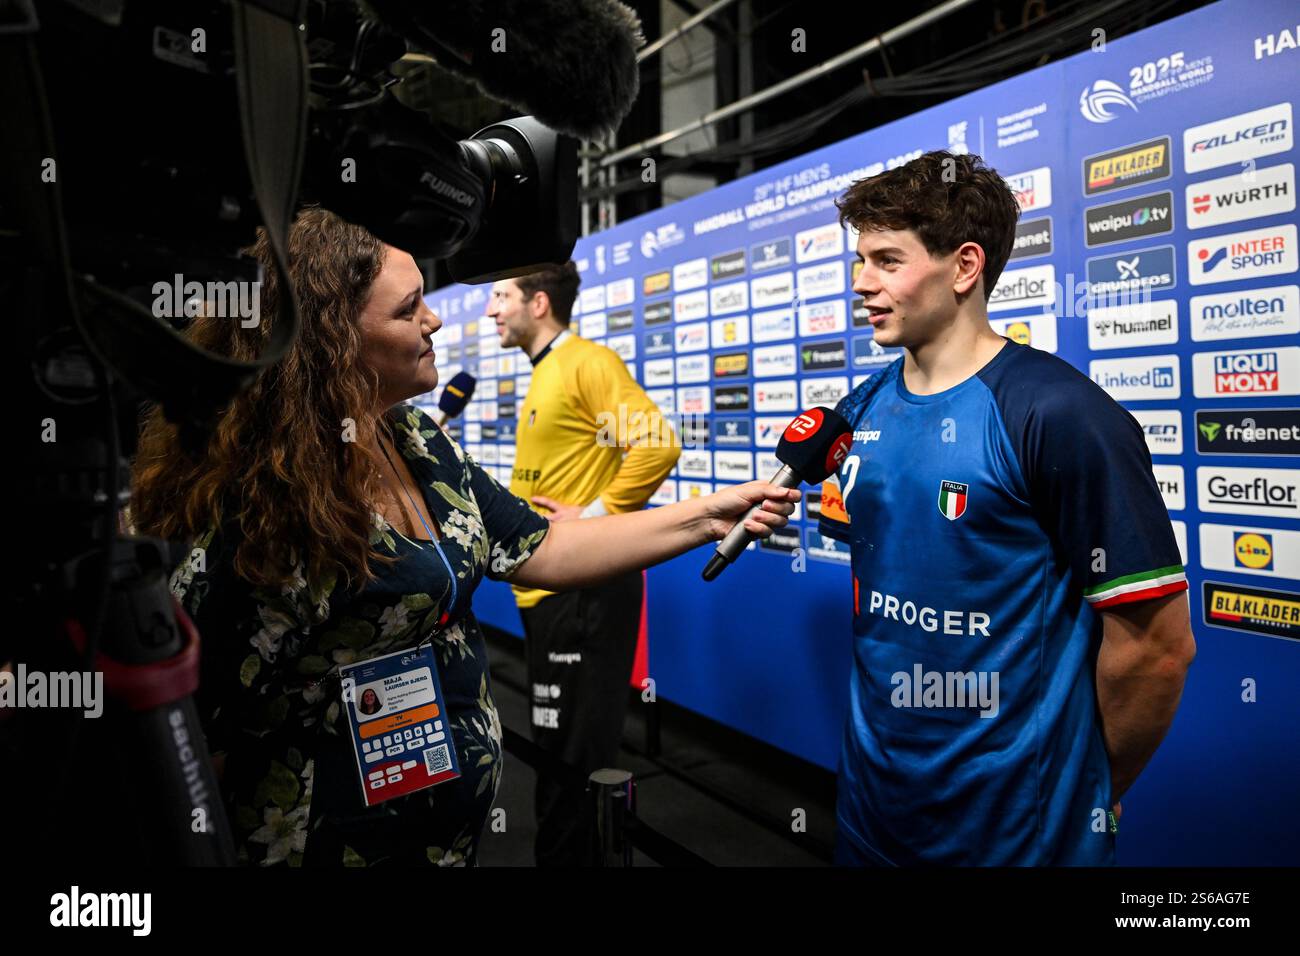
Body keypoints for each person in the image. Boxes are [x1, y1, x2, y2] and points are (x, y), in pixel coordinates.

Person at [128, 207, 798, 867]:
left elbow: (541, 547)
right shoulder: (260, 505)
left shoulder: (418, 441)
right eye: (408, 307)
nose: (437, 317)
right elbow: (195, 729)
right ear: (332, 341)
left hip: (441, 835)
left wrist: (709, 515)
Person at [818, 151, 1195, 866]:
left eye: (887, 260)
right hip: (871, 809)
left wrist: (1088, 791)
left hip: (1019, 835)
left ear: (964, 267)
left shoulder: (1061, 413)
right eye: (860, 260)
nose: (862, 283)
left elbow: (1157, 648)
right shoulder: (861, 404)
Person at [487, 262, 678, 866]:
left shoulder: (586, 362)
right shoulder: (546, 371)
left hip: (587, 595)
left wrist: (594, 515)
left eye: (501, 295)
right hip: (553, 596)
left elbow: (658, 442)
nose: (491, 309)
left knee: (575, 765)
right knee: (557, 756)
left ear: (538, 303)